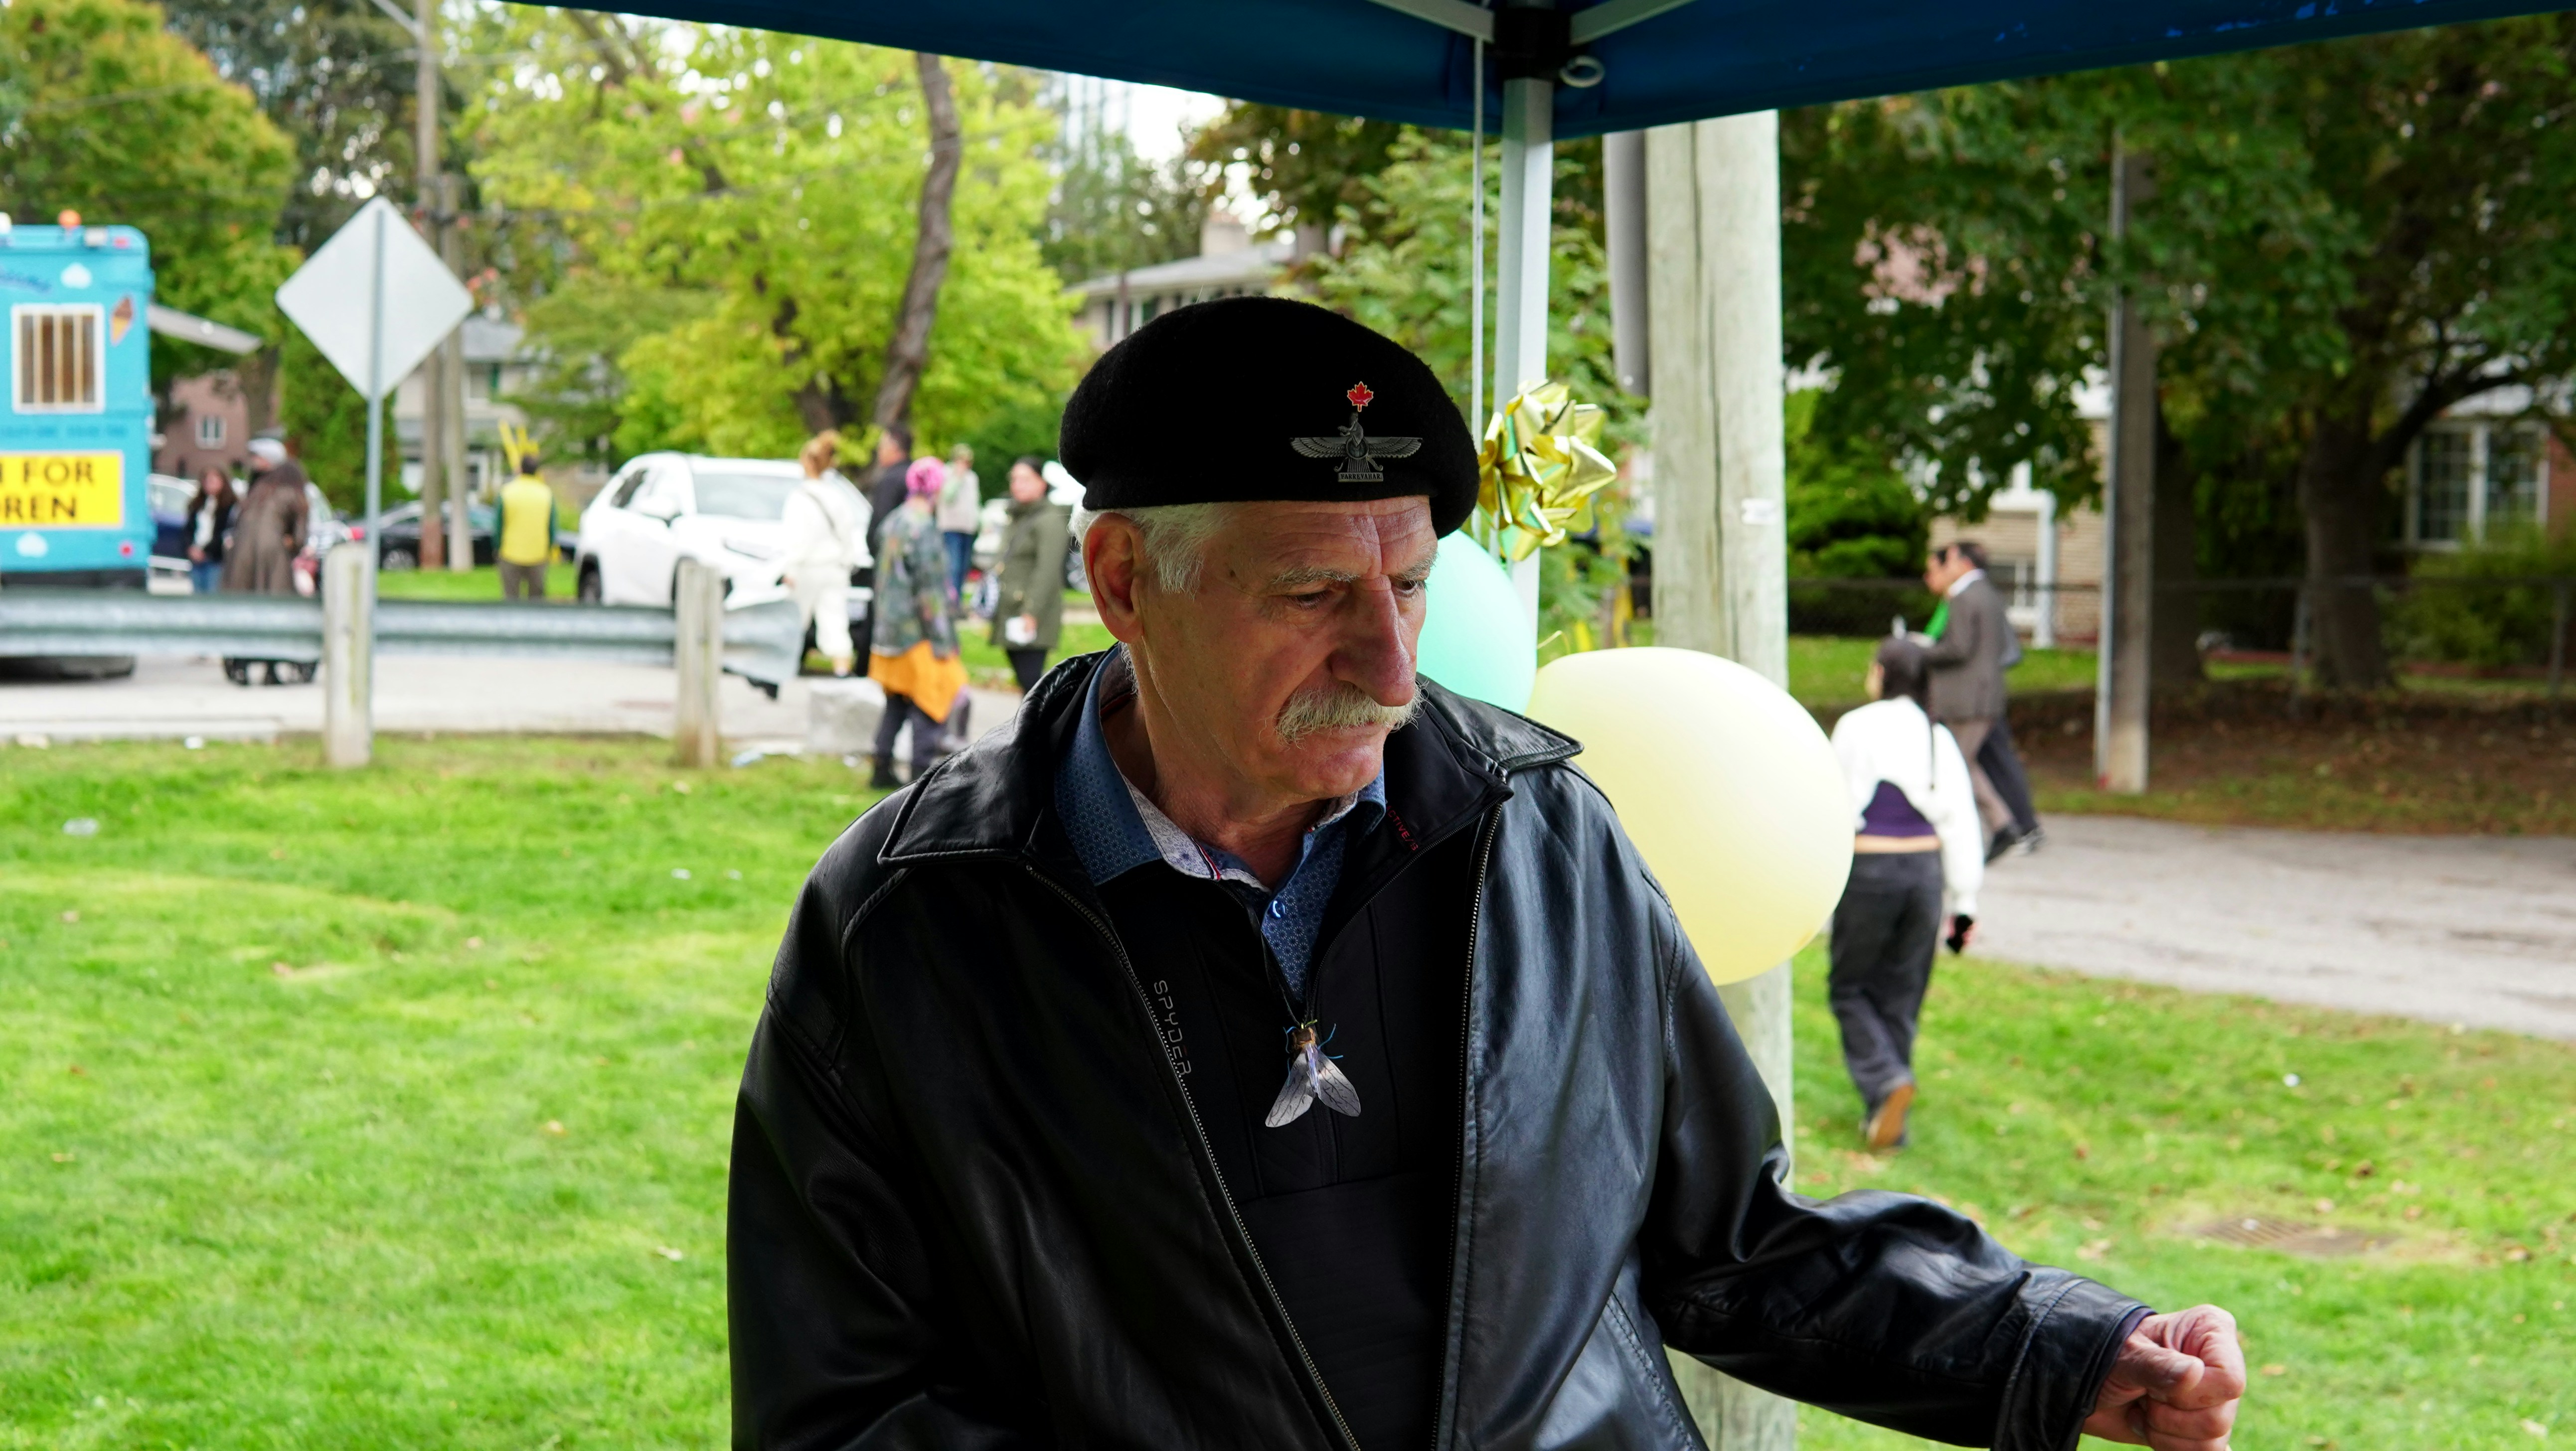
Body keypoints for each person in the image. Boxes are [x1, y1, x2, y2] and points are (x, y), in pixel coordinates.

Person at [729, 296, 2247, 1451]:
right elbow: (842, 1406)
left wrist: (2058, 1346)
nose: (1390, 662)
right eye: (1314, 590)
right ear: (1127, 579)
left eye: (1408, 582)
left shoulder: (1537, 833)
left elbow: (1728, 1243)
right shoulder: (910, 921)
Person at [1828, 636, 1985, 1150]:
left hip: (1870, 867)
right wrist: (1964, 906)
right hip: (1923, 874)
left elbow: (1830, 802)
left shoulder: (1857, 724)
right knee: (1900, 995)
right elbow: (1961, 822)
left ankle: (1884, 1084)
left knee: (1849, 987)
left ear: (1881, 672)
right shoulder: (1935, 736)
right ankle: (1886, 1119)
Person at [862, 455, 966, 789]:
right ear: (936, 488)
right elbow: (931, 595)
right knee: (929, 702)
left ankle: (881, 766)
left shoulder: (892, 522)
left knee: (896, 702)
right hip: (917, 636)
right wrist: (944, 642)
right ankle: (920, 777)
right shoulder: (924, 529)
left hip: (887, 632)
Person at [1918, 540, 2025, 859]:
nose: (1944, 568)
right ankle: (2003, 825)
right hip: (1982, 694)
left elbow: (1958, 648)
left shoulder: (1964, 597)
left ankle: (1999, 826)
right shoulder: (1987, 593)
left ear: (1963, 563)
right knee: (1966, 763)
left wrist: (1919, 650)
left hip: (1967, 699)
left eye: (1948, 561)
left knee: (1956, 766)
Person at [221, 439, 315, 686]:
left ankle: (246, 662)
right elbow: (301, 533)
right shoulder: (291, 492)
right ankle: (271, 666)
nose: (255, 462)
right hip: (272, 559)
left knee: (248, 609)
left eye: (259, 458)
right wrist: (291, 546)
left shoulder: (256, 492)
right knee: (276, 611)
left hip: (244, 559)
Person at [781, 431, 867, 677]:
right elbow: (847, 533)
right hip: (834, 568)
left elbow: (797, 539)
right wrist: (846, 563)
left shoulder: (800, 498)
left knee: (796, 620)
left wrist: (791, 569)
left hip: (807, 567)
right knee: (835, 621)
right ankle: (842, 671)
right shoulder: (837, 495)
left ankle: (781, 670)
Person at [987, 454, 1069, 692]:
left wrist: (1031, 613)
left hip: (1029, 614)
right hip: (1011, 609)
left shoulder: (1049, 520)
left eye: (1025, 479)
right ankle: (1033, 727)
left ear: (1042, 483)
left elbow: (1047, 570)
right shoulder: (1018, 516)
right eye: (1014, 479)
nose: (1018, 485)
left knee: (1032, 684)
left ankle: (1039, 729)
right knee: (1028, 685)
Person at [494, 452, 559, 600]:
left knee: (511, 597)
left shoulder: (507, 493)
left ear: (520, 469)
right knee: (536, 600)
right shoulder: (546, 494)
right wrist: (549, 548)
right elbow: (552, 526)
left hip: (510, 553)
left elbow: (499, 525)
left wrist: (498, 547)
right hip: (538, 553)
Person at [936, 440, 981, 601]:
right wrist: (957, 478)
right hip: (950, 527)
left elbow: (975, 503)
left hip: (968, 528)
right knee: (952, 566)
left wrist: (980, 522)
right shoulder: (946, 474)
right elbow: (947, 497)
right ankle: (951, 601)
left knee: (963, 568)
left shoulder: (972, 477)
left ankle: (958, 600)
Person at [183, 466, 236, 595]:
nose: (209, 484)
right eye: (206, 481)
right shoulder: (197, 505)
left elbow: (225, 533)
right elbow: (188, 529)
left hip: (215, 559)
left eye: (213, 480)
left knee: (212, 594)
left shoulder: (229, 506)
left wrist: (206, 551)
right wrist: (190, 548)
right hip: (196, 557)